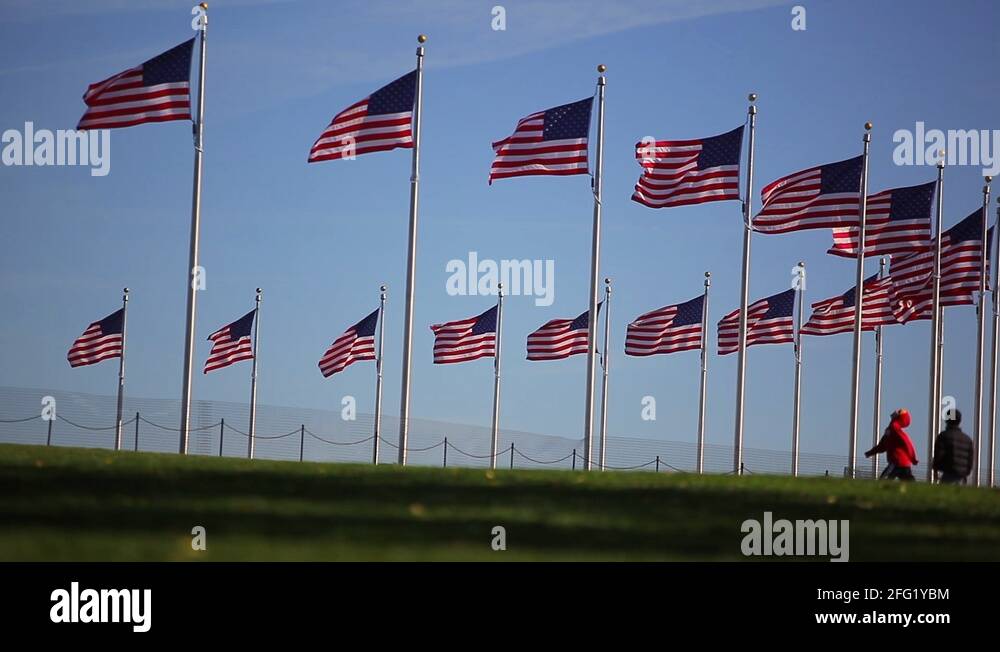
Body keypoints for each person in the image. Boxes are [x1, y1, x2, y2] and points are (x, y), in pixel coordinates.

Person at [865, 408, 918, 481]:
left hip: (897, 462)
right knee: (908, 481)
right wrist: (870, 452)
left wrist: (913, 458)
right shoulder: (891, 430)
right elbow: (882, 446)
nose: (895, 412)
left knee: (884, 480)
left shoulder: (894, 428)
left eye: (899, 412)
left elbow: (907, 443)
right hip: (904, 463)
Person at [932, 409, 974, 484]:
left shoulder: (943, 436)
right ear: (959, 421)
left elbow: (938, 456)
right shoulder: (968, 440)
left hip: (948, 474)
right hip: (962, 477)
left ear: (947, 420)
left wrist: (936, 468)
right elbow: (970, 461)